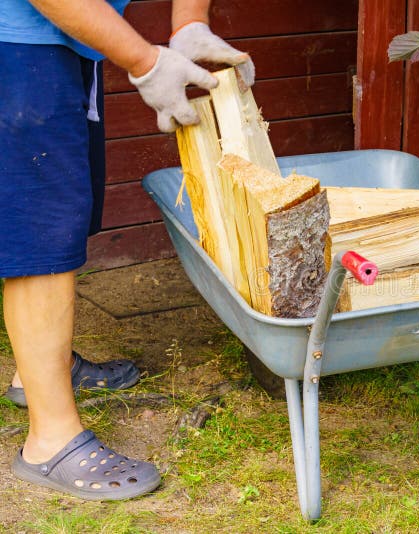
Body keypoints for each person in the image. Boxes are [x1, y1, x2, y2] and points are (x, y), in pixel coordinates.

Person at [0, 0, 254, 500]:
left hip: (65, 35)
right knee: (39, 232)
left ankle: (36, 377)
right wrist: (147, 60)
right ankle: (50, 441)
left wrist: (190, 24)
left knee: (63, 210)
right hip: (17, 38)